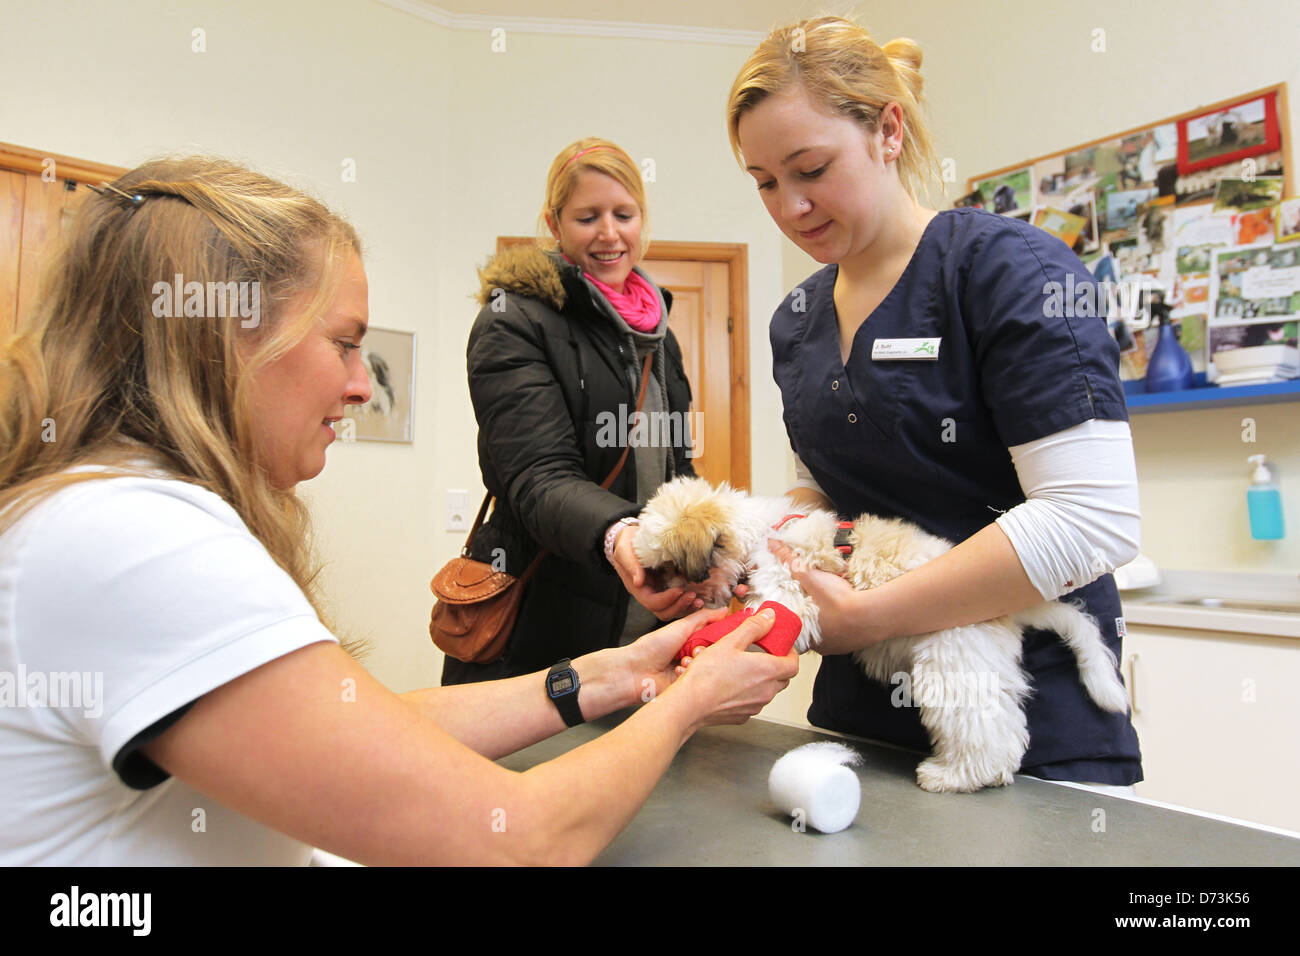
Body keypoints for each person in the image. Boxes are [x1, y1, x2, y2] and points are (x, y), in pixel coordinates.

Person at [0, 157, 798, 865]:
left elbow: (367, 728)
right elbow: (523, 839)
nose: (359, 383)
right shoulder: (139, 542)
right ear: (221, 337)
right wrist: (691, 702)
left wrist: (621, 674)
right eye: (345, 344)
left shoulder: (107, 514)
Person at [725, 17, 1143, 787]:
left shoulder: (1005, 272)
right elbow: (826, 489)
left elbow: (1093, 518)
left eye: (810, 168)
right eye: (765, 183)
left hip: (1027, 721)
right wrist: (757, 557)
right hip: (862, 717)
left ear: (889, 130)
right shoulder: (796, 321)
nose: (789, 207)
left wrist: (872, 615)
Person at [443, 137, 727, 685]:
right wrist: (621, 534)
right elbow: (538, 477)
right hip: (543, 626)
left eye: (624, 214)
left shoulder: (660, 339)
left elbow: (678, 471)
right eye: (587, 216)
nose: (609, 232)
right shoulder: (514, 320)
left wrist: (708, 546)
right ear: (554, 222)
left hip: (647, 623)